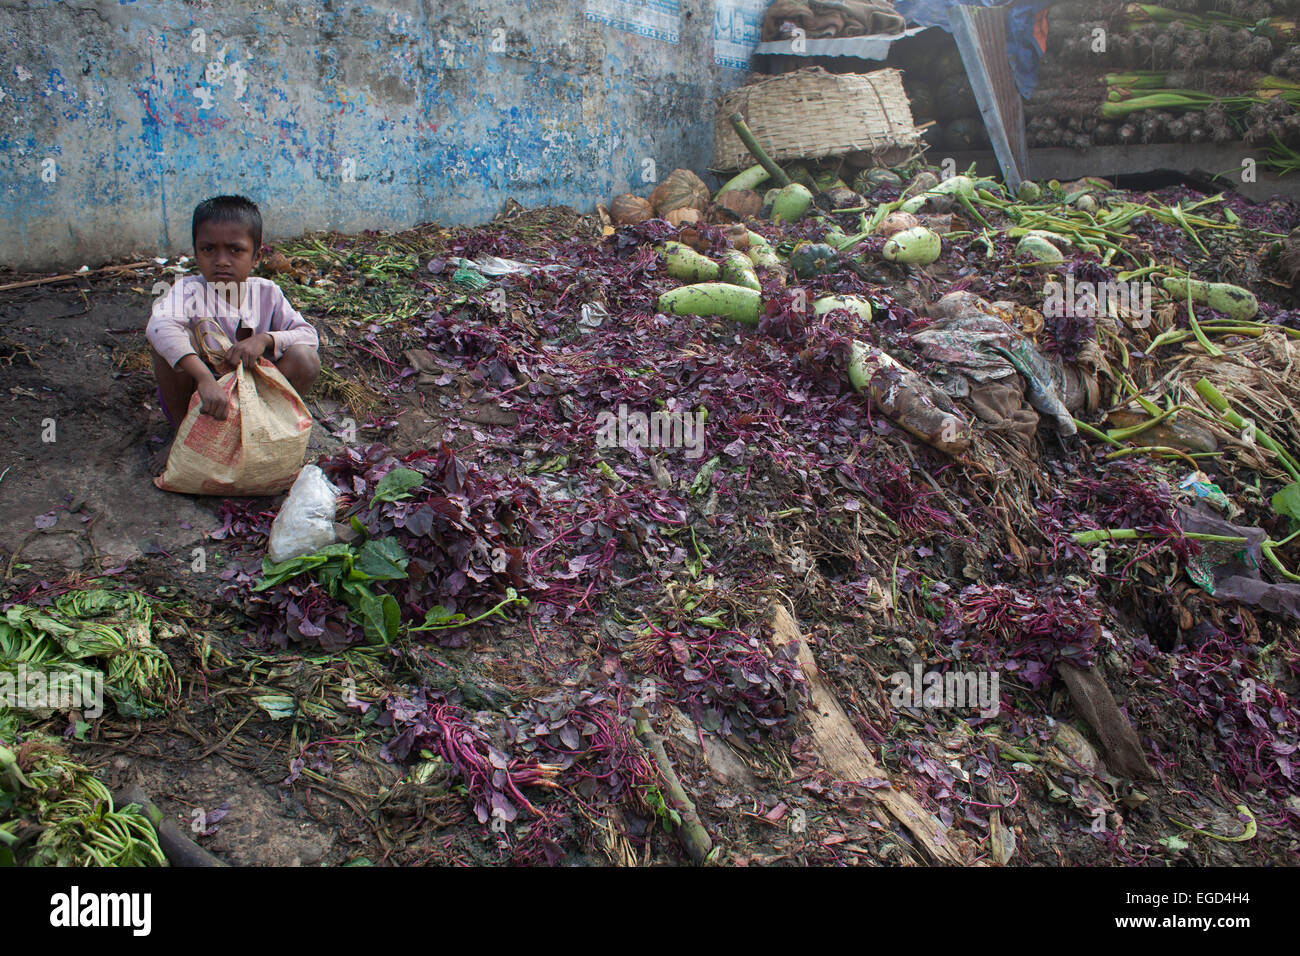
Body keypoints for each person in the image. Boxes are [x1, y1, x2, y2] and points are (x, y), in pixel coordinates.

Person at [147, 195, 320, 437]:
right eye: (208, 249)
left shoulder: (267, 293)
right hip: (203, 400)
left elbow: (308, 335)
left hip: (254, 399)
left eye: (235, 250)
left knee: (305, 357)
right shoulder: (188, 290)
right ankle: (182, 438)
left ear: (257, 257)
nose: (221, 261)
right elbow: (159, 326)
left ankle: (269, 433)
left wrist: (264, 340)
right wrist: (204, 377)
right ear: (196, 253)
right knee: (167, 344)